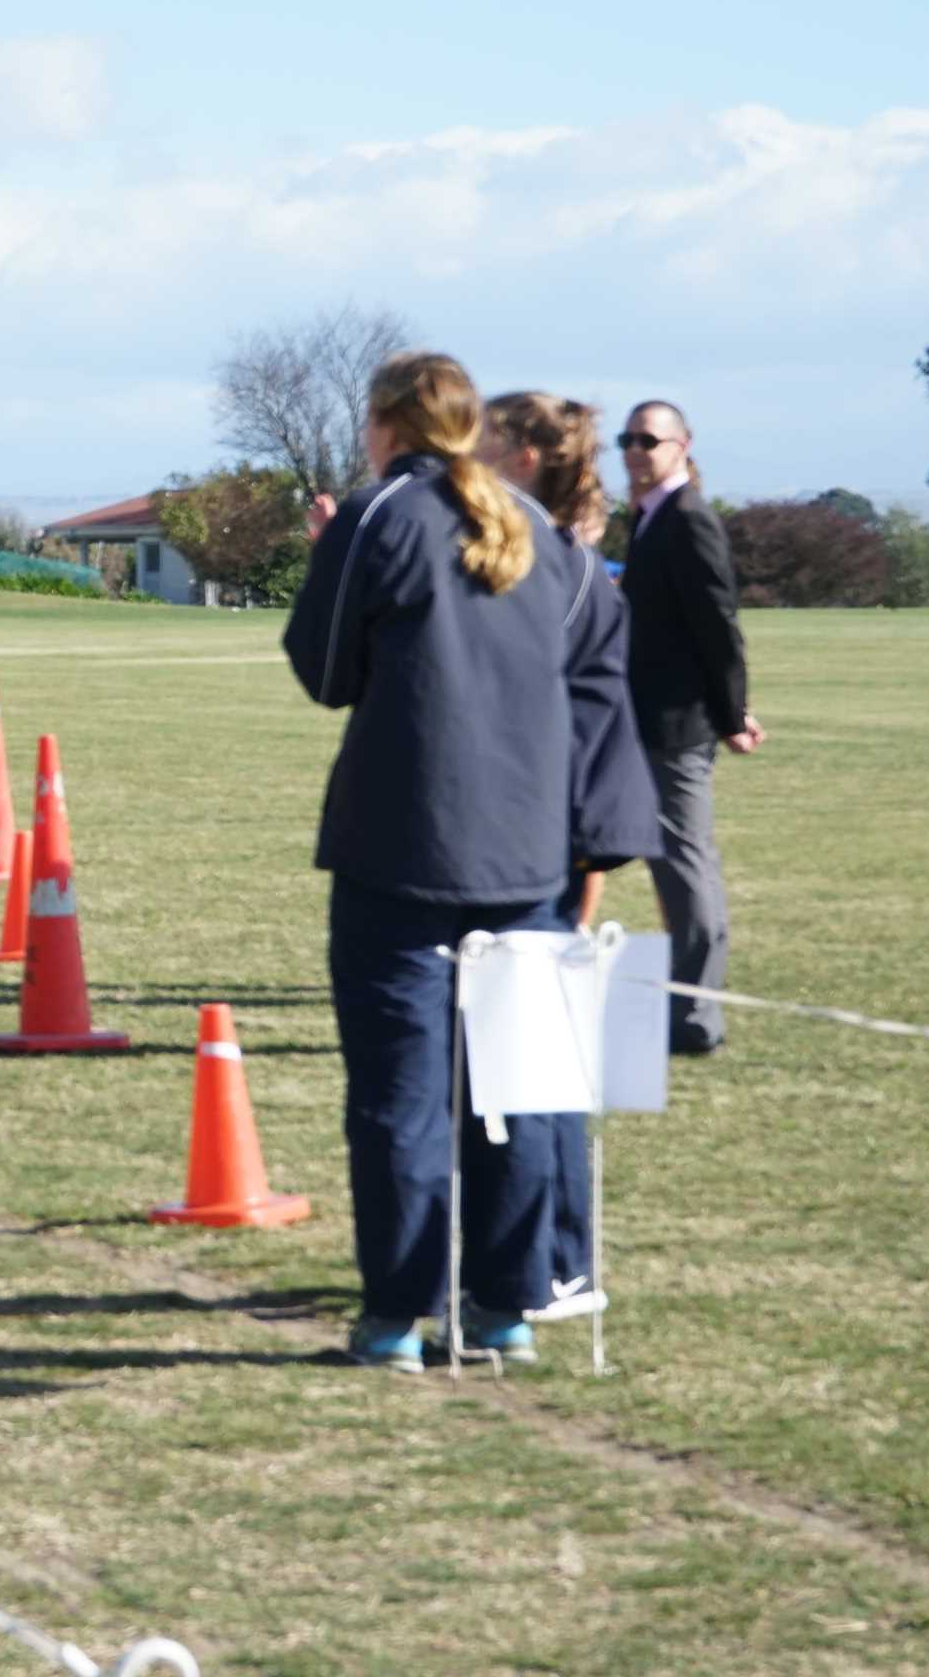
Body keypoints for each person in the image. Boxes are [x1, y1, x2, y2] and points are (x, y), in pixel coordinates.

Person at [283, 356, 575, 1373]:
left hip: (402, 847)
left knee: (400, 1098)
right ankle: (503, 1308)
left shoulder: (378, 515)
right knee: (515, 1092)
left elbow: (323, 670)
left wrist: (336, 574)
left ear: (386, 427)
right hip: (529, 847)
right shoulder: (535, 524)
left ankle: (396, 1317)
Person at [485, 393, 659, 1315]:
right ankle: (555, 1261)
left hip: (545, 833)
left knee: (532, 1062)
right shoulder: (567, 563)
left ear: (521, 456)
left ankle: (553, 1264)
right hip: (555, 827)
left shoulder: (552, 571)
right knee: (530, 1056)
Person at [616, 400, 762, 1057]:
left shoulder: (688, 520)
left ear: (681, 445)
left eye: (648, 439)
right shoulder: (649, 520)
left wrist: (731, 715)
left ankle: (698, 1016)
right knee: (665, 864)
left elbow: (718, 627)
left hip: (678, 727)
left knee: (686, 867)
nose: (635, 450)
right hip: (641, 721)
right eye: (627, 439)